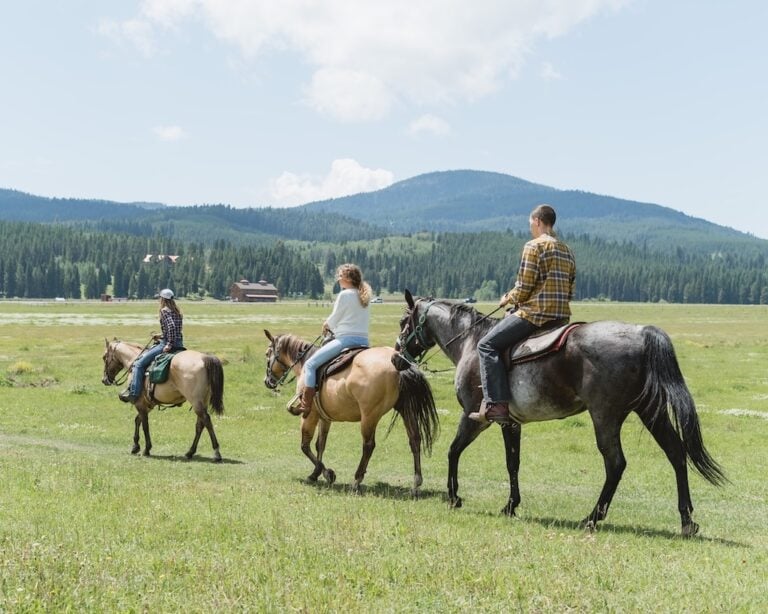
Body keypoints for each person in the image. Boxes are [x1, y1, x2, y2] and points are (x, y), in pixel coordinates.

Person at [470, 204, 576, 425]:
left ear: (537, 221)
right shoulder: (567, 250)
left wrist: (507, 298)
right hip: (561, 319)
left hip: (535, 316)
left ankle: (496, 404)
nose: (530, 227)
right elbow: (570, 290)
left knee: (486, 345)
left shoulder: (533, 246)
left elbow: (524, 287)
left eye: (530, 223)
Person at [298, 263, 372, 417]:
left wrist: (326, 324)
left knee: (310, 364)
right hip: (364, 342)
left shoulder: (345, 295)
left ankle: (306, 406)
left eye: (341, 276)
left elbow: (334, 319)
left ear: (349, 279)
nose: (338, 280)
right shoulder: (363, 295)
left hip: (345, 341)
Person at [119, 288, 184, 403]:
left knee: (138, 364)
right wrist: (160, 335)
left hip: (168, 344)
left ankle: (134, 393)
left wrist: (168, 344)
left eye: (160, 298)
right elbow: (175, 330)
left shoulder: (165, 311)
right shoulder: (177, 311)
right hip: (179, 343)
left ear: (163, 299)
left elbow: (172, 327)